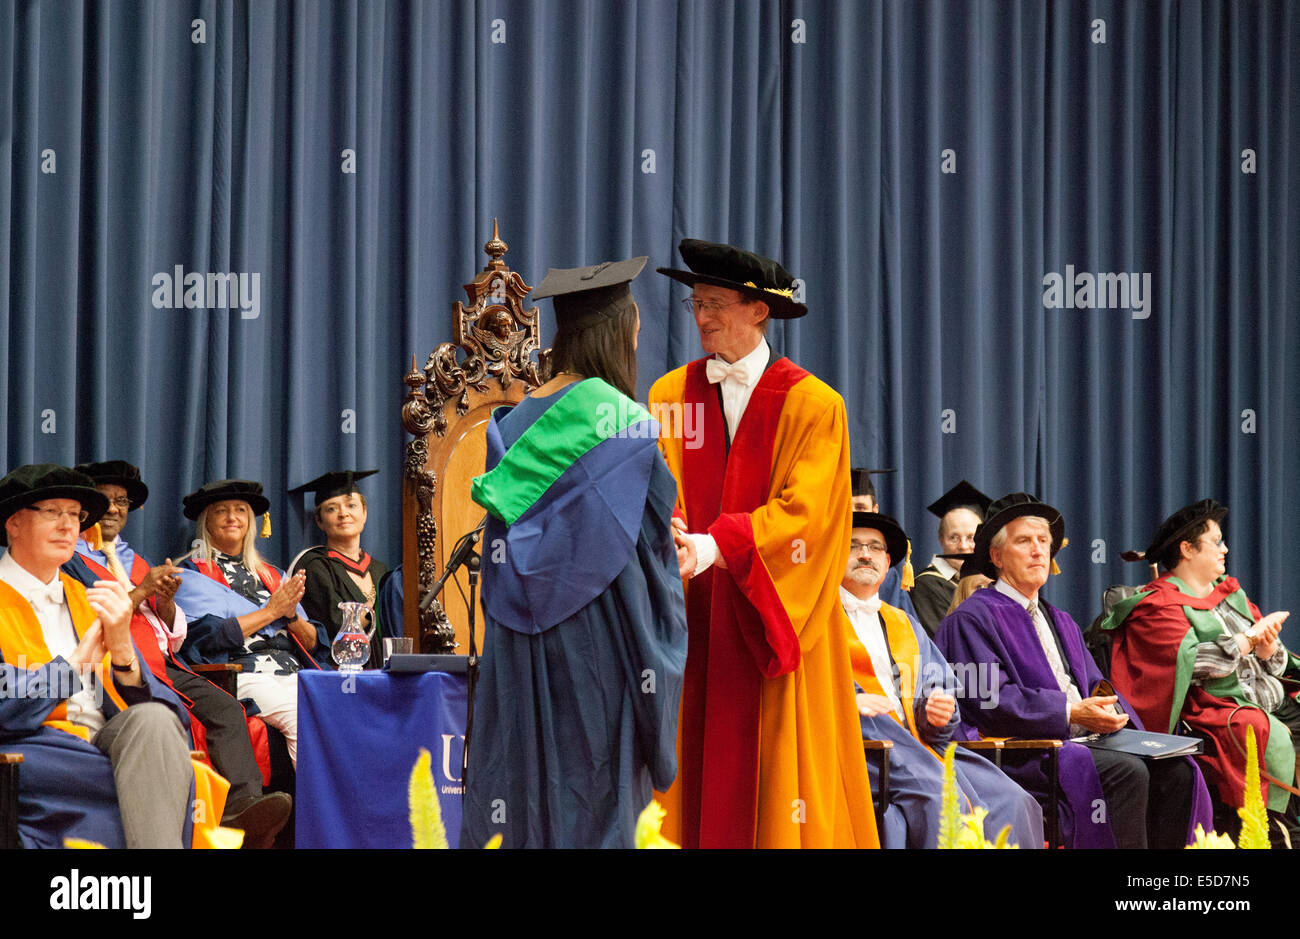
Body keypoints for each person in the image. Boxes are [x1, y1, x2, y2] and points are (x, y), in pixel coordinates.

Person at [650, 239, 877, 848]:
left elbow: (807, 517)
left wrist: (713, 545)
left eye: (716, 304)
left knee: (781, 794)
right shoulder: (669, 395)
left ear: (760, 311)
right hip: (691, 614)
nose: (701, 318)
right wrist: (675, 538)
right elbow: (658, 488)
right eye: (695, 303)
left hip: (773, 615)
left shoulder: (814, 405)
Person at [459, 256, 688, 848]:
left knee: (521, 785)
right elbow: (650, 560)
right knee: (599, 795)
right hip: (601, 644)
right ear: (621, 332)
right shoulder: (624, 427)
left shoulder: (511, 427)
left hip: (518, 645)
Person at [934, 492, 1213, 848]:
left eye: (1043, 541)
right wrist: (1068, 713)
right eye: (1024, 541)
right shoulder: (972, 619)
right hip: (1027, 752)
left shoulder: (1060, 619)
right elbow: (990, 702)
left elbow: (1095, 682)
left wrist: (1109, 710)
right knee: (1126, 771)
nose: (1038, 551)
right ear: (996, 556)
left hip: (1085, 739)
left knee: (1177, 769)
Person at [62, 460, 291, 847]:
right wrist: (140, 592)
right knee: (168, 717)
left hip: (161, 660)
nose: (115, 509)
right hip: (111, 664)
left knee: (227, 708)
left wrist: (164, 603)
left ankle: (242, 805)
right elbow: (90, 621)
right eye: (106, 502)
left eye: (122, 502)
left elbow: (168, 629)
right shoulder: (72, 561)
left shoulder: (133, 560)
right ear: (88, 510)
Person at [0, 464, 195, 848]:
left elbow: (174, 713)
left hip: (106, 739)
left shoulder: (89, 595)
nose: (68, 525)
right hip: (35, 745)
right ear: (14, 523)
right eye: (53, 512)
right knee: (157, 774)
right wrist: (68, 672)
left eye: (75, 515)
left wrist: (123, 655)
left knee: (156, 723)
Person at [1104, 499, 1300, 844]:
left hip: (1274, 699)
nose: (1225, 549)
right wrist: (1246, 641)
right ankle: (1276, 829)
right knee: (1255, 731)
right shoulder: (1156, 604)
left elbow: (1275, 658)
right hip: (1219, 710)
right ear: (1187, 549)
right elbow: (1190, 663)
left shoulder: (1230, 593)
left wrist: (1268, 649)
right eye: (1217, 541)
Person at [844, 511, 1043, 848]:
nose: (865, 554)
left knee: (1014, 800)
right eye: (853, 546)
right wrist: (849, 700)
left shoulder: (904, 622)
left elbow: (938, 687)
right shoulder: (820, 620)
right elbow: (807, 690)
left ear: (888, 560)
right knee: (943, 801)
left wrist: (936, 710)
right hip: (867, 750)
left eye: (875, 547)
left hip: (925, 746)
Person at [176, 479, 328, 768]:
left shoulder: (273, 575)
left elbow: (311, 644)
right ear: (206, 522)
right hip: (241, 674)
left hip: (294, 674)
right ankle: (318, 812)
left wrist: (292, 616)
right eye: (221, 511)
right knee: (302, 716)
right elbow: (204, 641)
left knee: (343, 709)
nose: (232, 518)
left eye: (240, 510)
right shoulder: (190, 575)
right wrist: (272, 612)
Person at [288, 469, 389, 670]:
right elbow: (333, 630)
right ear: (319, 521)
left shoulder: (381, 570)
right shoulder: (314, 566)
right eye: (332, 509)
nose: (344, 514)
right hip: (340, 676)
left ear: (364, 512)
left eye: (351, 505)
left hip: (384, 675)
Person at [911, 480, 991, 635]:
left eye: (971, 537)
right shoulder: (927, 586)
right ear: (941, 539)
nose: (963, 546)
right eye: (953, 537)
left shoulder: (990, 581)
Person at [850, 467, 920, 624]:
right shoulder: (824, 565)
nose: (854, 514)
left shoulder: (886, 576)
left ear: (875, 510)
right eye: (847, 507)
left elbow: (907, 630)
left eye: (860, 507)